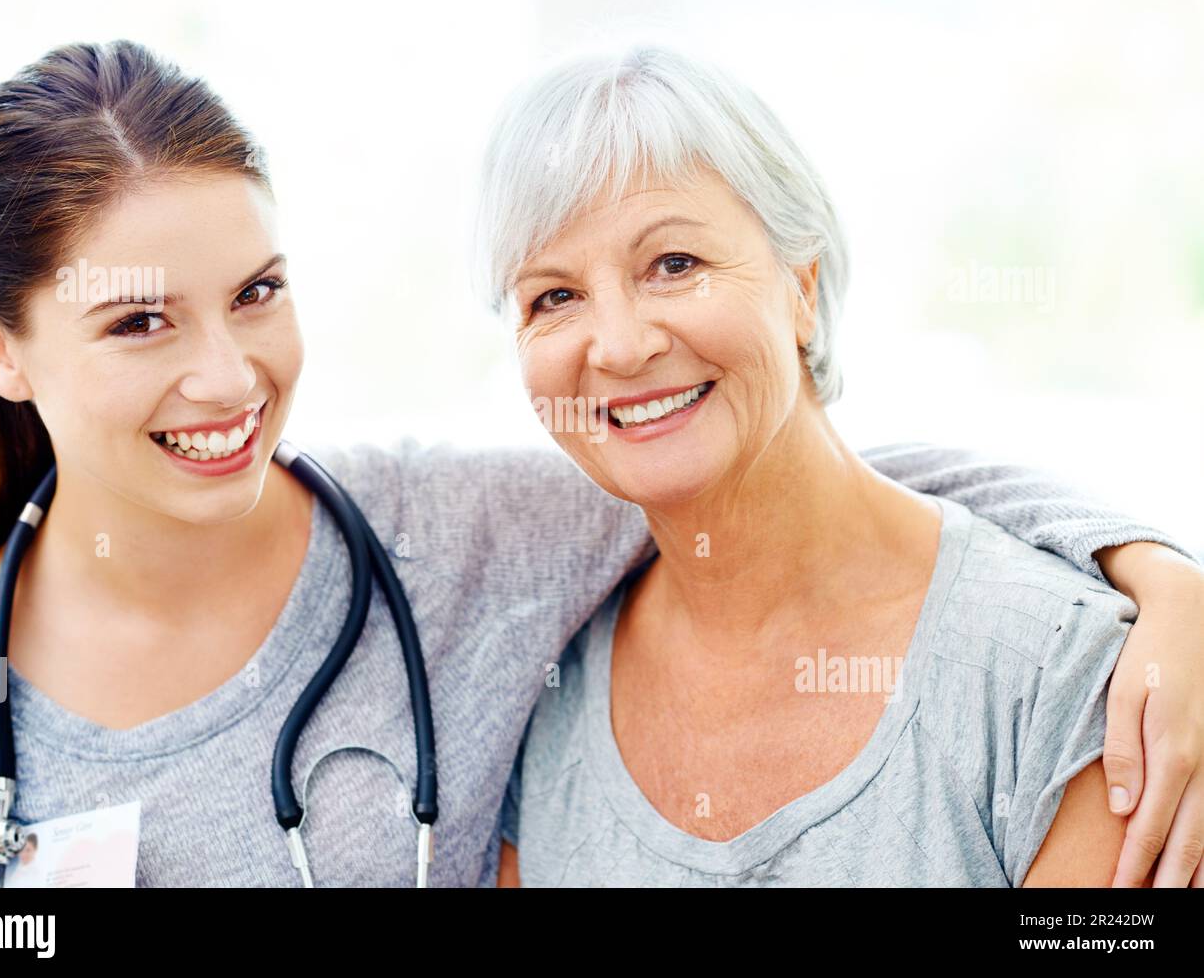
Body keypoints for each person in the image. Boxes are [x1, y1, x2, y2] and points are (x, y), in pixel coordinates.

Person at [0, 41, 1197, 888]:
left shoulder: (455, 542)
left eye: (257, 292)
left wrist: (1161, 571)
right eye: (140, 321)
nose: (229, 378)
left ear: (803, 283)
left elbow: (787, 473)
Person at [485, 45, 1204, 887]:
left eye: (674, 264)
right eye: (553, 297)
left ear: (800, 282)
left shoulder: (1070, 677)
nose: (618, 344)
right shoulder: (548, 692)